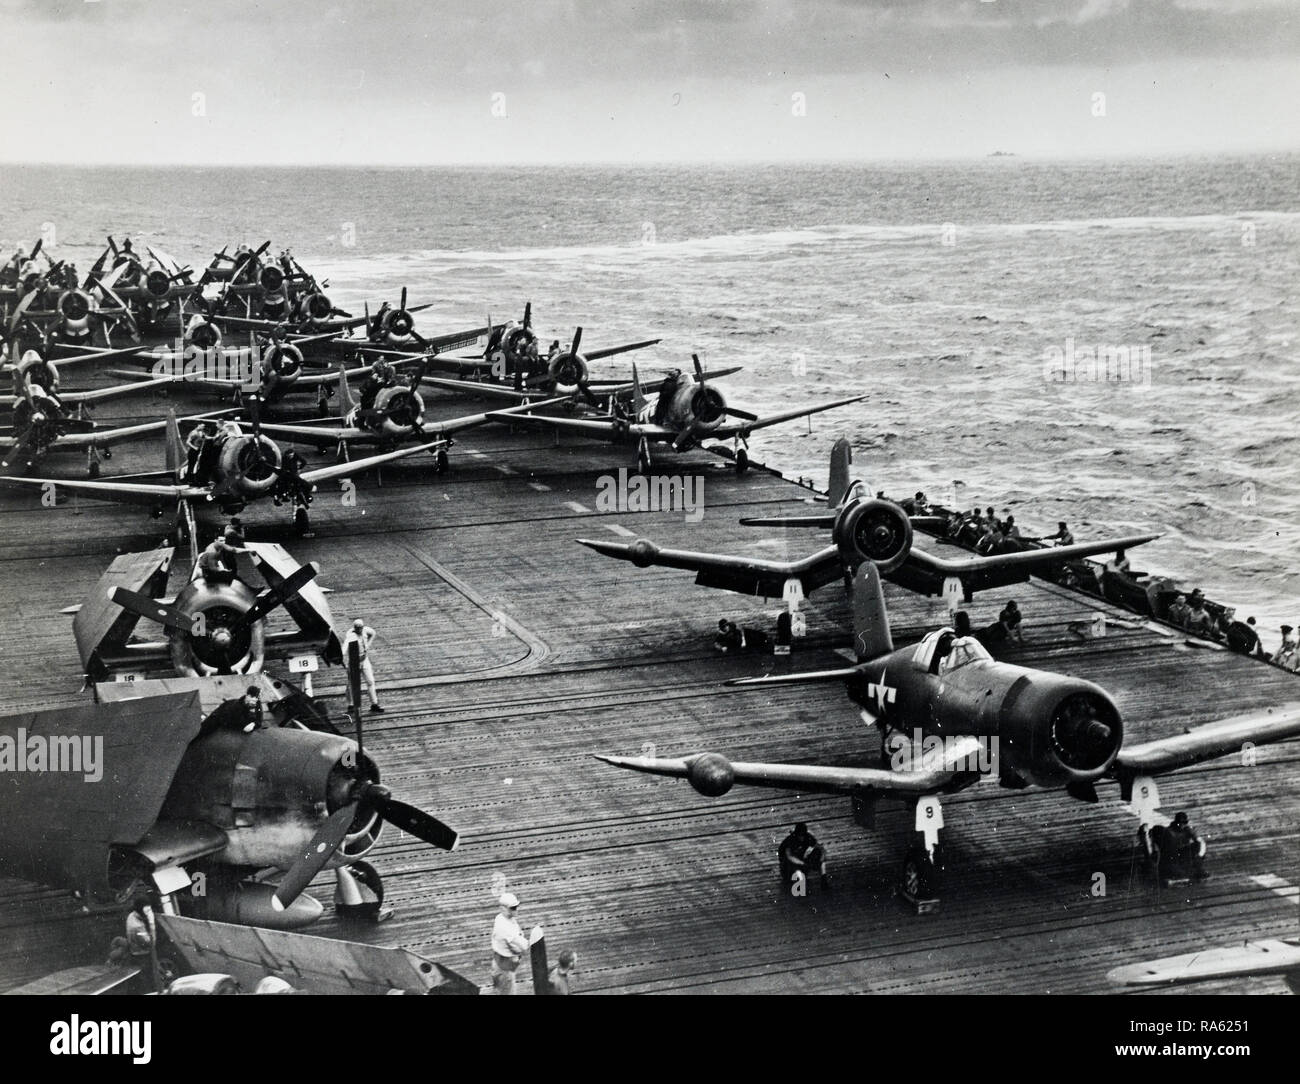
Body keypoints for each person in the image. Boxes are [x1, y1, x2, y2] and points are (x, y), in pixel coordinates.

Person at [490, 892, 530, 995]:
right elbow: (524, 946)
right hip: (505, 969)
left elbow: (518, 932)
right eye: (512, 908)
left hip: (499, 963)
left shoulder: (501, 917)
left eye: (516, 907)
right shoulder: (505, 928)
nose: (516, 910)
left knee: (499, 990)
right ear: (503, 908)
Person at [344, 618, 384, 712]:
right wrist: (342, 655)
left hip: (364, 660)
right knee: (351, 683)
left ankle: (374, 704)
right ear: (354, 628)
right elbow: (345, 645)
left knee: (370, 681)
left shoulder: (365, 630)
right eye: (357, 628)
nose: (359, 629)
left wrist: (369, 644)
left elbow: (373, 633)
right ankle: (351, 705)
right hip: (354, 661)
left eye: (360, 627)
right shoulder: (350, 635)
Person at [778, 822, 830, 892]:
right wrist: (803, 863)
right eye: (800, 835)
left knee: (818, 853)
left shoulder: (808, 837)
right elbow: (789, 856)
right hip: (787, 868)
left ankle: (823, 879)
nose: (802, 837)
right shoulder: (790, 840)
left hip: (801, 862)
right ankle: (801, 883)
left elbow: (820, 848)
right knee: (793, 865)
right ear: (796, 834)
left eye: (803, 835)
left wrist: (821, 858)